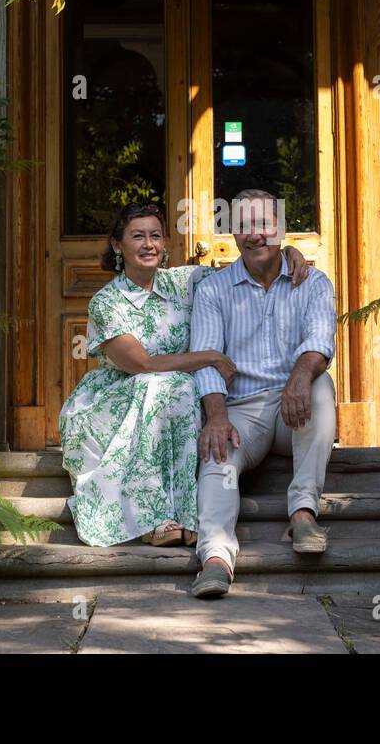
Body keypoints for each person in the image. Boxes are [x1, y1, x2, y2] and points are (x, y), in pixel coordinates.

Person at [57, 200, 311, 548]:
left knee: (177, 387)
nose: (148, 244)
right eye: (137, 237)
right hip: (116, 399)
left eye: (156, 236)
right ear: (118, 245)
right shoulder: (107, 303)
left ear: (164, 244)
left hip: (174, 395)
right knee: (168, 386)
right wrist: (210, 356)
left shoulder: (185, 281)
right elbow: (142, 364)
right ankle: (153, 516)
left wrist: (288, 252)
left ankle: (188, 513)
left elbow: (249, 266)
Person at [186, 189, 337, 598]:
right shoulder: (214, 290)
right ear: (233, 235)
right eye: (245, 226)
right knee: (218, 451)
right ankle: (216, 559)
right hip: (243, 412)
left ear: (283, 231)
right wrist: (216, 416)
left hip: (296, 414)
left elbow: (321, 340)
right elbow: (207, 360)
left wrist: (300, 374)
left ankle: (303, 513)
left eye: (265, 225)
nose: (256, 236)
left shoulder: (313, 282)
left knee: (320, 382)